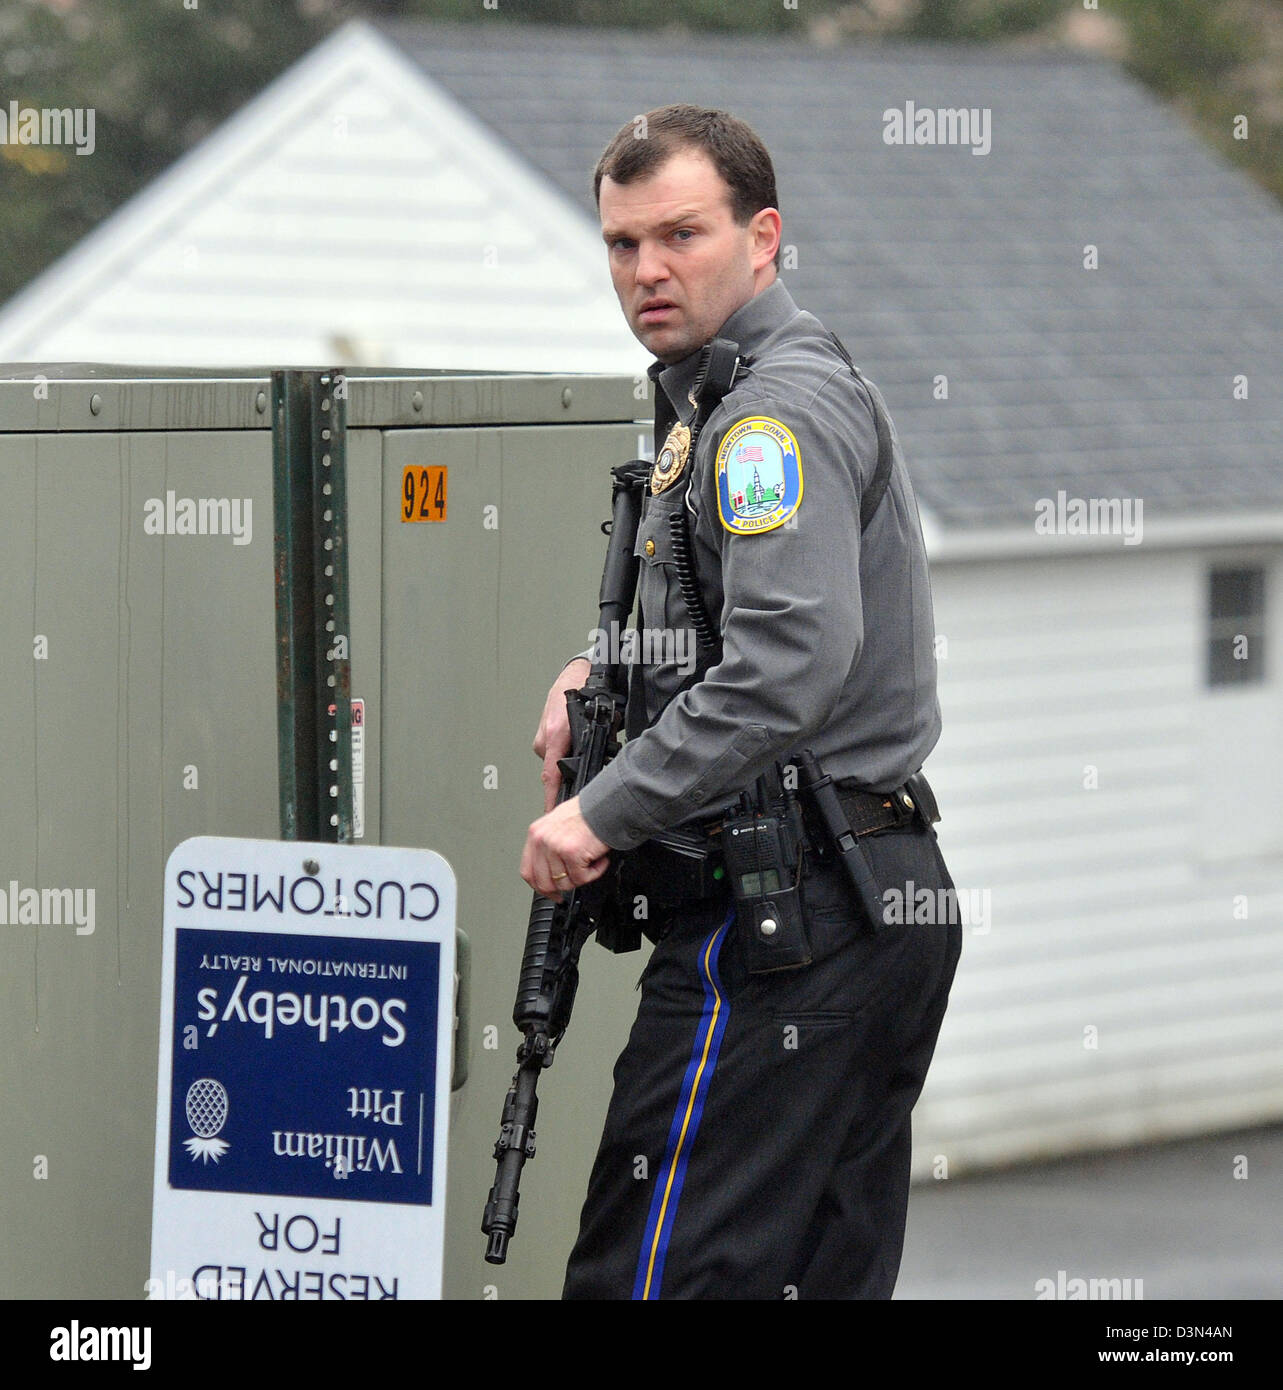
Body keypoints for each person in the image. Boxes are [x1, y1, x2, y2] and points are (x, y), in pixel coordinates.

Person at [519, 105, 963, 1300]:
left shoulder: (766, 417)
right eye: (620, 243)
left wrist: (597, 813)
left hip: (782, 915)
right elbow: (736, 628)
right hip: (860, 891)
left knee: (651, 1277)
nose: (646, 270)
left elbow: (781, 671)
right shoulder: (724, 397)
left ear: (761, 237)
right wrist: (595, 672)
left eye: (680, 234)